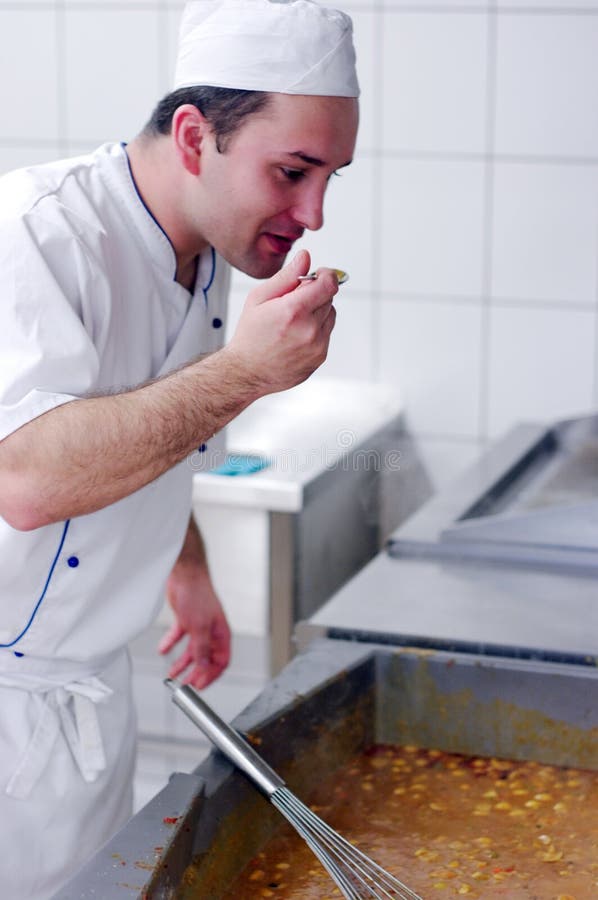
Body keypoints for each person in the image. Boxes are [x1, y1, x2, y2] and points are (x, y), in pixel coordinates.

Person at [0, 0, 359, 897]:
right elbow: (31, 476)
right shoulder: (38, 234)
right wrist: (246, 372)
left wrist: (183, 567)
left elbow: (148, 432)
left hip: (85, 702)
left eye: (330, 178)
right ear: (195, 137)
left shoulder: (205, 253)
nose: (312, 213)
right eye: (292, 171)